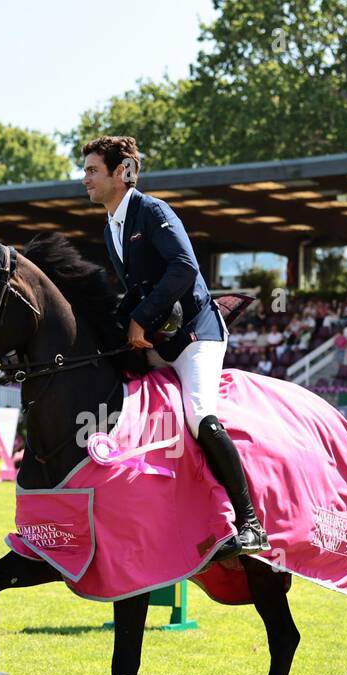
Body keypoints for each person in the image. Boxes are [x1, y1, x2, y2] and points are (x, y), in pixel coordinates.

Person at [83, 134, 267, 559]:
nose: (85, 179)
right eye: (87, 170)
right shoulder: (111, 227)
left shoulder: (152, 211)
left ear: (121, 172)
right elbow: (136, 290)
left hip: (197, 335)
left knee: (199, 415)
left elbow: (184, 268)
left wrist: (140, 318)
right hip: (159, 339)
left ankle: (250, 524)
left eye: (93, 170)